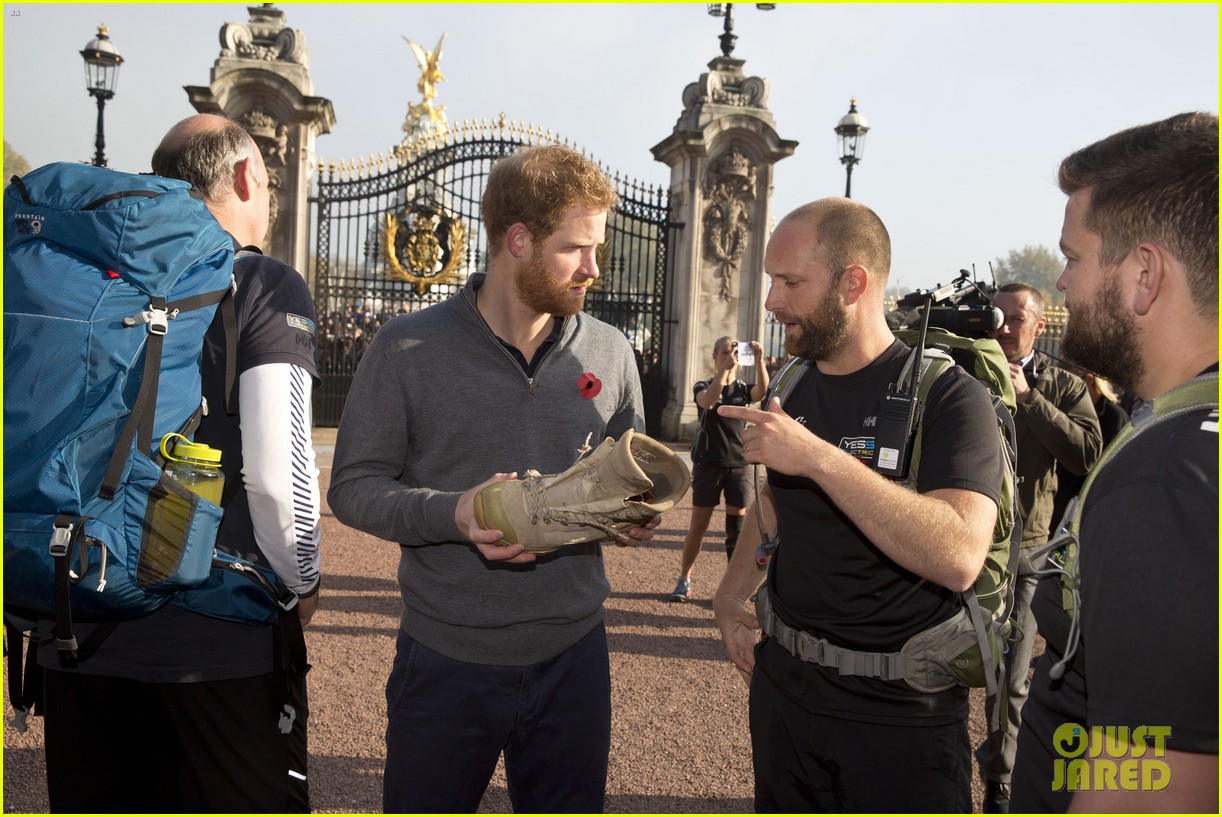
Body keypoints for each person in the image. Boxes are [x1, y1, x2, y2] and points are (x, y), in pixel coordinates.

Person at [327, 144, 660, 813]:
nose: (595, 268)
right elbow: (353, 485)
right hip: (446, 658)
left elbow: (630, 470)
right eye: (576, 248)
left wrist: (633, 509)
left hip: (574, 656)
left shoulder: (612, 351)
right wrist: (454, 513)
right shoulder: (404, 349)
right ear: (518, 240)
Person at [38, 114, 322, 812]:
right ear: (246, 175)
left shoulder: (85, 277)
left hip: (73, 618)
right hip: (212, 640)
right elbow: (280, 482)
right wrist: (302, 582)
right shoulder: (261, 281)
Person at [712, 198, 1005, 812]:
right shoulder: (792, 383)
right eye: (772, 280)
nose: (771, 301)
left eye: (790, 282)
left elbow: (958, 554)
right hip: (785, 692)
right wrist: (731, 592)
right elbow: (773, 504)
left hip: (900, 714)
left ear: (854, 283)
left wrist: (819, 456)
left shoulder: (952, 398)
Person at [1011, 112, 1218, 812]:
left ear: (1145, 274)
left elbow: (1153, 787)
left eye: (1074, 257)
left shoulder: (1164, 480)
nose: (1063, 282)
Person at [975, 282, 1103, 812]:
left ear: (1039, 325)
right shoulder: (967, 374)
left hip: (1027, 552)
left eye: (1015, 319)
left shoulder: (1064, 385)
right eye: (996, 317)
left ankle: (1001, 781)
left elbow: (1088, 453)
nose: (1003, 328)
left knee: (1010, 675)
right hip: (969, 543)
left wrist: (1030, 399)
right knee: (948, 662)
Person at [669, 336, 766, 602]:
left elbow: (763, 393)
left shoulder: (744, 388)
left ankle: (731, 589)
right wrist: (724, 371)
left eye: (733, 352)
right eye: (724, 353)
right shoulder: (703, 385)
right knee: (698, 526)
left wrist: (759, 361)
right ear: (715, 357)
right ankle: (684, 578)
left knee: (735, 530)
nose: (729, 356)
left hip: (738, 466)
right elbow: (708, 401)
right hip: (708, 464)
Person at [1049, 369, 1128, 526]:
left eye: (1070, 382)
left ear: (1089, 380)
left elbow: (1110, 466)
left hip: (1087, 504)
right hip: (1059, 500)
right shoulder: (1065, 409)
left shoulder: (1115, 416)